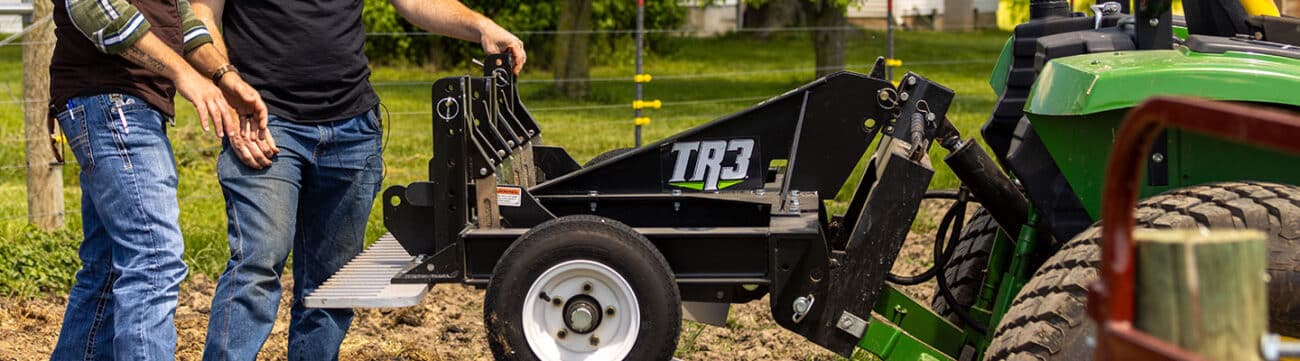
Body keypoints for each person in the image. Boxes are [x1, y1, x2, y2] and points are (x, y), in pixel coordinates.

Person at [189, 0, 525, 358]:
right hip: (264, 121)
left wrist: (481, 26)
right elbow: (202, 12)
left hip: (352, 128)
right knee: (258, 262)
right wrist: (228, 88)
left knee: (330, 282)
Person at [47, 0, 268, 358]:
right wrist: (182, 73)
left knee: (108, 268)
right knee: (153, 259)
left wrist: (225, 77)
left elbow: (178, 19)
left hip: (123, 105)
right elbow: (94, 7)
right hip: (113, 103)